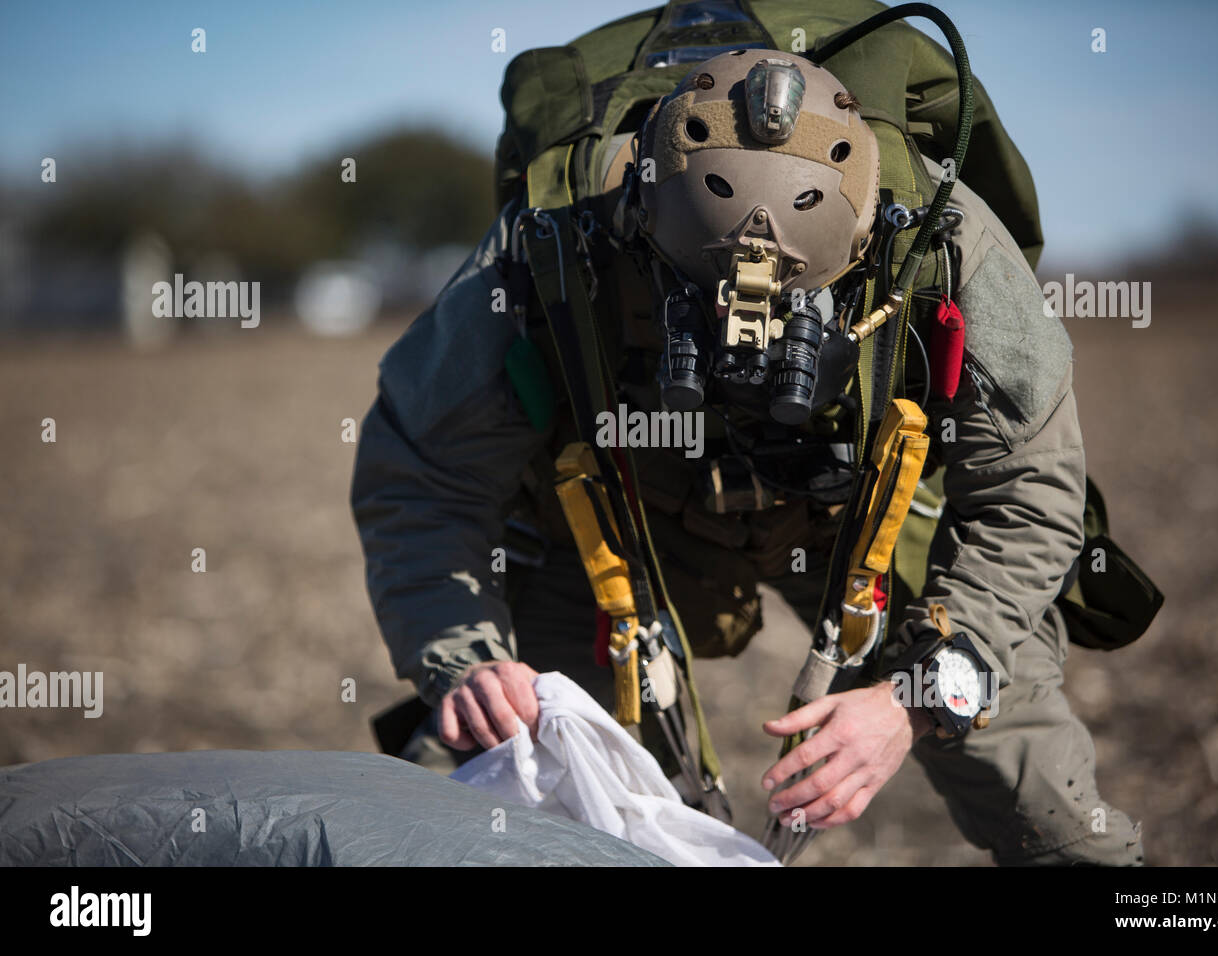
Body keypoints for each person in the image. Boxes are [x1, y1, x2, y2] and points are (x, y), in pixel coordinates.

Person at [350, 37, 1145, 865]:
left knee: (1048, 812)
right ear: (640, 222)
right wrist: (465, 663)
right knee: (538, 792)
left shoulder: (942, 245)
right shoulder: (548, 248)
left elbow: (1029, 490)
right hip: (616, 522)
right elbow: (419, 478)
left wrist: (916, 699)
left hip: (860, 512)